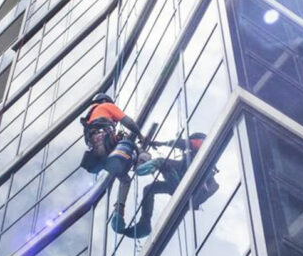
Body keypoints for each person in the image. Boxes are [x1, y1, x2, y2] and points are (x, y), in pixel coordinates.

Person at [121, 132, 219, 239]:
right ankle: (144, 224)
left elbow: (182, 144)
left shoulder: (200, 146)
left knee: (161, 162)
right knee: (149, 189)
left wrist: (161, 143)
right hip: (181, 185)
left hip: (183, 184)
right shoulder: (193, 160)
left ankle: (139, 170)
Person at [79, 92, 147, 233]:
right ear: (105, 100)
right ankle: (144, 162)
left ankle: (118, 212)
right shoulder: (106, 106)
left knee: (124, 179)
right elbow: (127, 121)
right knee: (130, 144)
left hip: (99, 154)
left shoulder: (90, 119)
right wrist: (140, 134)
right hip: (105, 141)